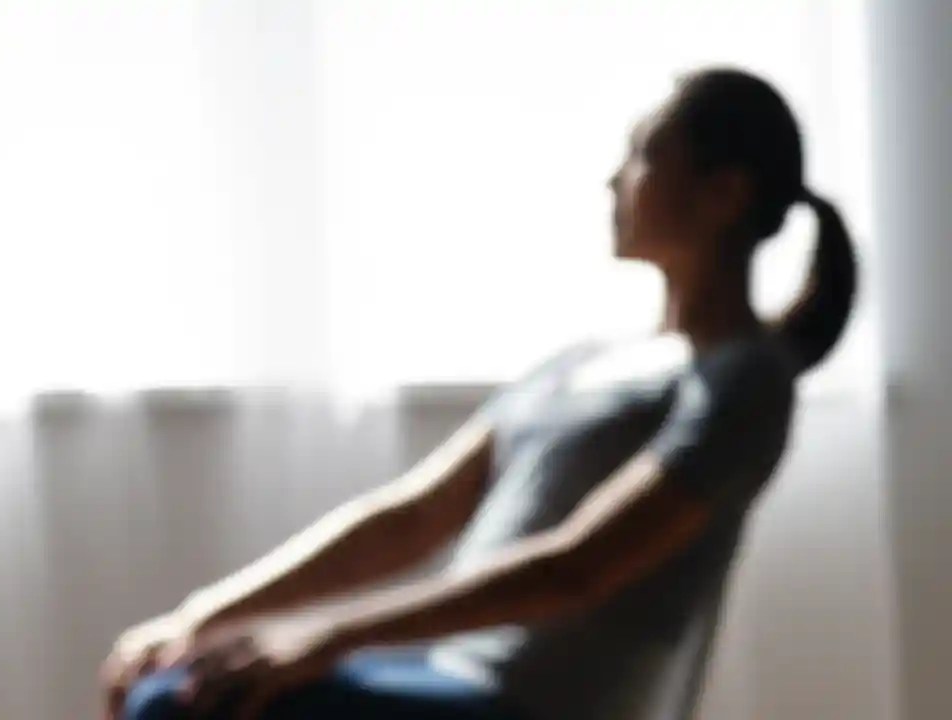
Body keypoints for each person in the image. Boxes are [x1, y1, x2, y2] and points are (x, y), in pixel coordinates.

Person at [99, 67, 857, 720]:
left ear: (725, 193)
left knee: (182, 708)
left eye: (643, 155)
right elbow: (410, 517)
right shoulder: (577, 364)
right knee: (173, 682)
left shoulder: (743, 380)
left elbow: (577, 567)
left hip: (535, 708)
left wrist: (328, 635)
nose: (614, 179)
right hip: (451, 680)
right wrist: (203, 616)